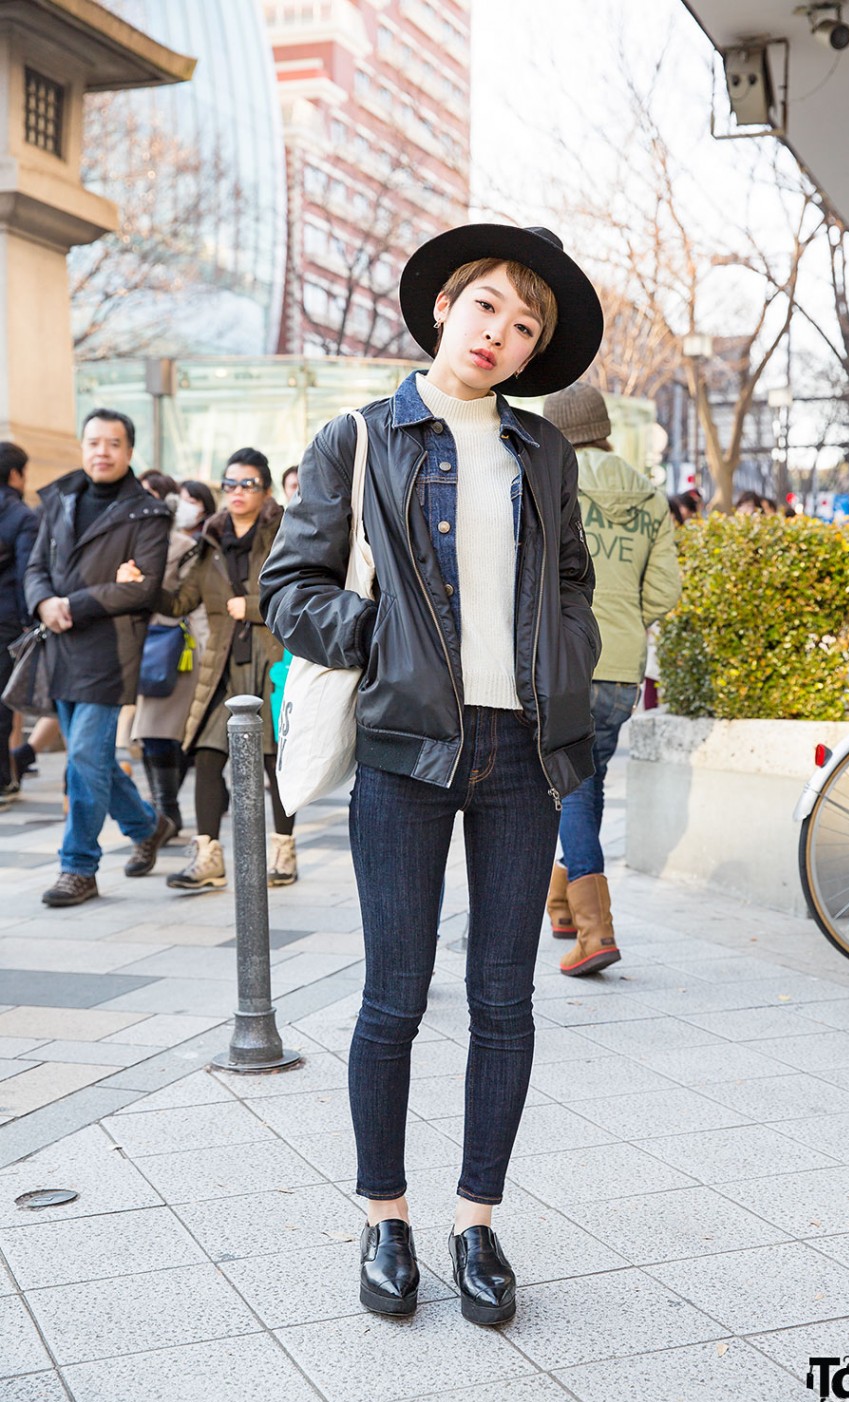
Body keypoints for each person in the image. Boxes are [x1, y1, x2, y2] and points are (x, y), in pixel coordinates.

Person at [260, 223, 603, 1325]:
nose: (501, 333)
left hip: (521, 754)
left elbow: (571, 581)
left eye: (526, 325)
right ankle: (385, 1217)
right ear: (445, 306)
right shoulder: (359, 437)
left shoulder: (542, 452)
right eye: (488, 305)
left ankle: (477, 1222)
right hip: (405, 754)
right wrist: (377, 637)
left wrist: (571, 657)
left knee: (504, 1000)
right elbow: (287, 587)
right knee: (394, 997)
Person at [542, 383, 681, 975]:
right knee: (588, 778)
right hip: (623, 665)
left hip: (564, 657)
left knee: (570, 786)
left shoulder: (552, 481)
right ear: (602, 428)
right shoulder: (649, 494)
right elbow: (666, 589)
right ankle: (562, 906)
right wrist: (626, 623)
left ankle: (595, 931)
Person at [124, 449, 296, 890]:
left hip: (271, 661)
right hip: (221, 667)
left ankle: (283, 851)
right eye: (230, 483)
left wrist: (252, 607)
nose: (237, 492)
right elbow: (181, 602)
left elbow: (302, 593)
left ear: (266, 490)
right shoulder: (211, 542)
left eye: (248, 484)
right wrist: (144, 586)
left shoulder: (284, 534)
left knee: (274, 760)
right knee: (207, 754)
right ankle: (208, 857)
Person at [24, 409, 175, 907]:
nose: (102, 452)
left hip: (110, 649)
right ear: (82, 446)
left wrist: (72, 604)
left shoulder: (148, 513)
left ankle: (79, 867)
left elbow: (144, 588)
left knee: (85, 757)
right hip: (60, 645)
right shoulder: (59, 498)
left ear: (129, 451)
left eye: (113, 443)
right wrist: (44, 603)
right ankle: (148, 826)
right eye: (93, 442)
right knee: (91, 760)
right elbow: (35, 567)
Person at [129, 471, 208, 834]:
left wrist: (205, 647)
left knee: (160, 731)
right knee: (148, 733)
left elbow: (195, 602)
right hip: (136, 646)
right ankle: (165, 811)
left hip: (172, 648)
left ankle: (167, 810)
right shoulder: (129, 541)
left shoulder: (183, 546)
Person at [0, 442, 40, 803]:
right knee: (3, 704)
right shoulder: (22, 516)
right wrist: (30, 621)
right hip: (7, 622)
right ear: (15, 474)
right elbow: (29, 572)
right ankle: (3, 780)